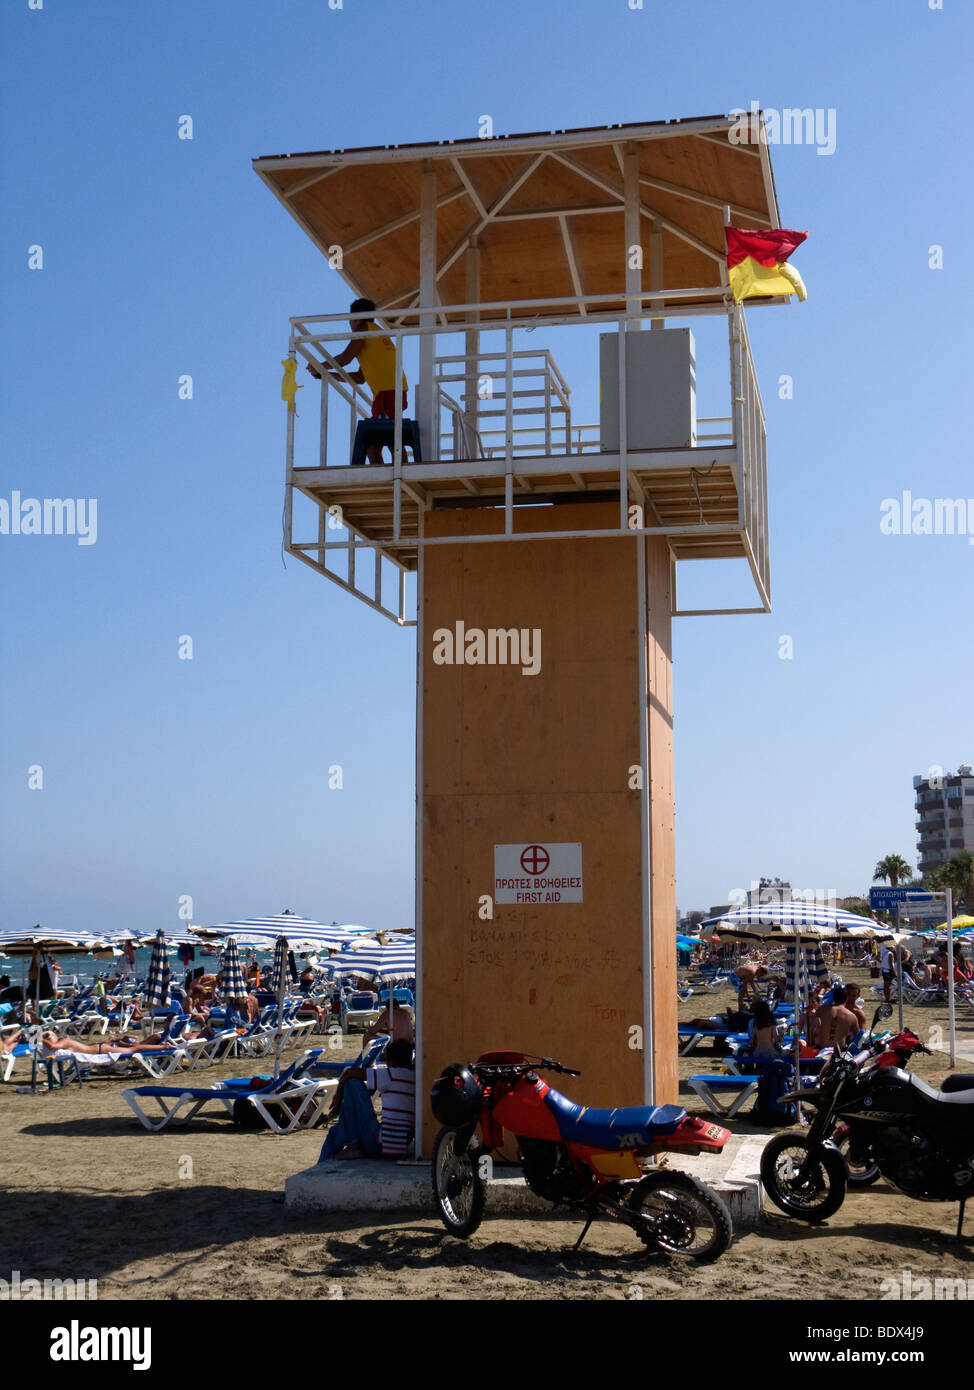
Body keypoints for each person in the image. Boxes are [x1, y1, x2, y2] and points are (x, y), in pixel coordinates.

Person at [306, 298, 409, 464]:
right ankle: (389, 477)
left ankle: (396, 477)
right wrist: (325, 374)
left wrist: (320, 366)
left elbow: (345, 358)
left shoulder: (363, 329)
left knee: (386, 441)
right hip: (390, 393)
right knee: (377, 445)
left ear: (356, 318)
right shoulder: (376, 334)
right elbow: (359, 378)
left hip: (387, 393)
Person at [318, 1039, 416, 1161]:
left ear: (389, 1061)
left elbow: (349, 1073)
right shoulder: (415, 1077)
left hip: (379, 1146)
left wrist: (338, 1099)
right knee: (336, 1131)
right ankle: (350, 1144)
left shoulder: (390, 1075)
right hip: (400, 1146)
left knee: (352, 1083)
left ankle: (353, 1145)